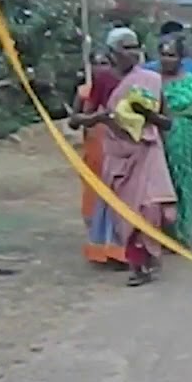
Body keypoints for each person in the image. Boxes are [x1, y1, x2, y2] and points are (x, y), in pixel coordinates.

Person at [88, 27, 176, 287]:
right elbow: (77, 119)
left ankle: (149, 260)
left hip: (147, 150)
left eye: (135, 46)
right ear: (112, 51)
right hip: (119, 156)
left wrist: (147, 114)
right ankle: (137, 266)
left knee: (150, 207)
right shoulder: (103, 79)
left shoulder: (150, 79)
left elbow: (167, 122)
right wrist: (99, 118)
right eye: (125, 47)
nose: (132, 52)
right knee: (127, 212)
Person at [69, 49, 128, 265]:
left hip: (117, 148)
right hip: (94, 149)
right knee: (96, 198)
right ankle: (100, 245)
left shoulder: (122, 89)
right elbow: (74, 121)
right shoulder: (84, 91)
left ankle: (118, 248)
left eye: (106, 63)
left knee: (116, 197)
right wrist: (92, 118)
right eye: (97, 63)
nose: (101, 68)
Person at [156, 36, 192, 248]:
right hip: (157, 137)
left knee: (185, 184)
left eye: (172, 55)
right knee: (162, 184)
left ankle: (183, 233)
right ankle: (163, 233)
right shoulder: (152, 80)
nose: (167, 59)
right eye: (163, 54)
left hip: (186, 137)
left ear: (181, 57)